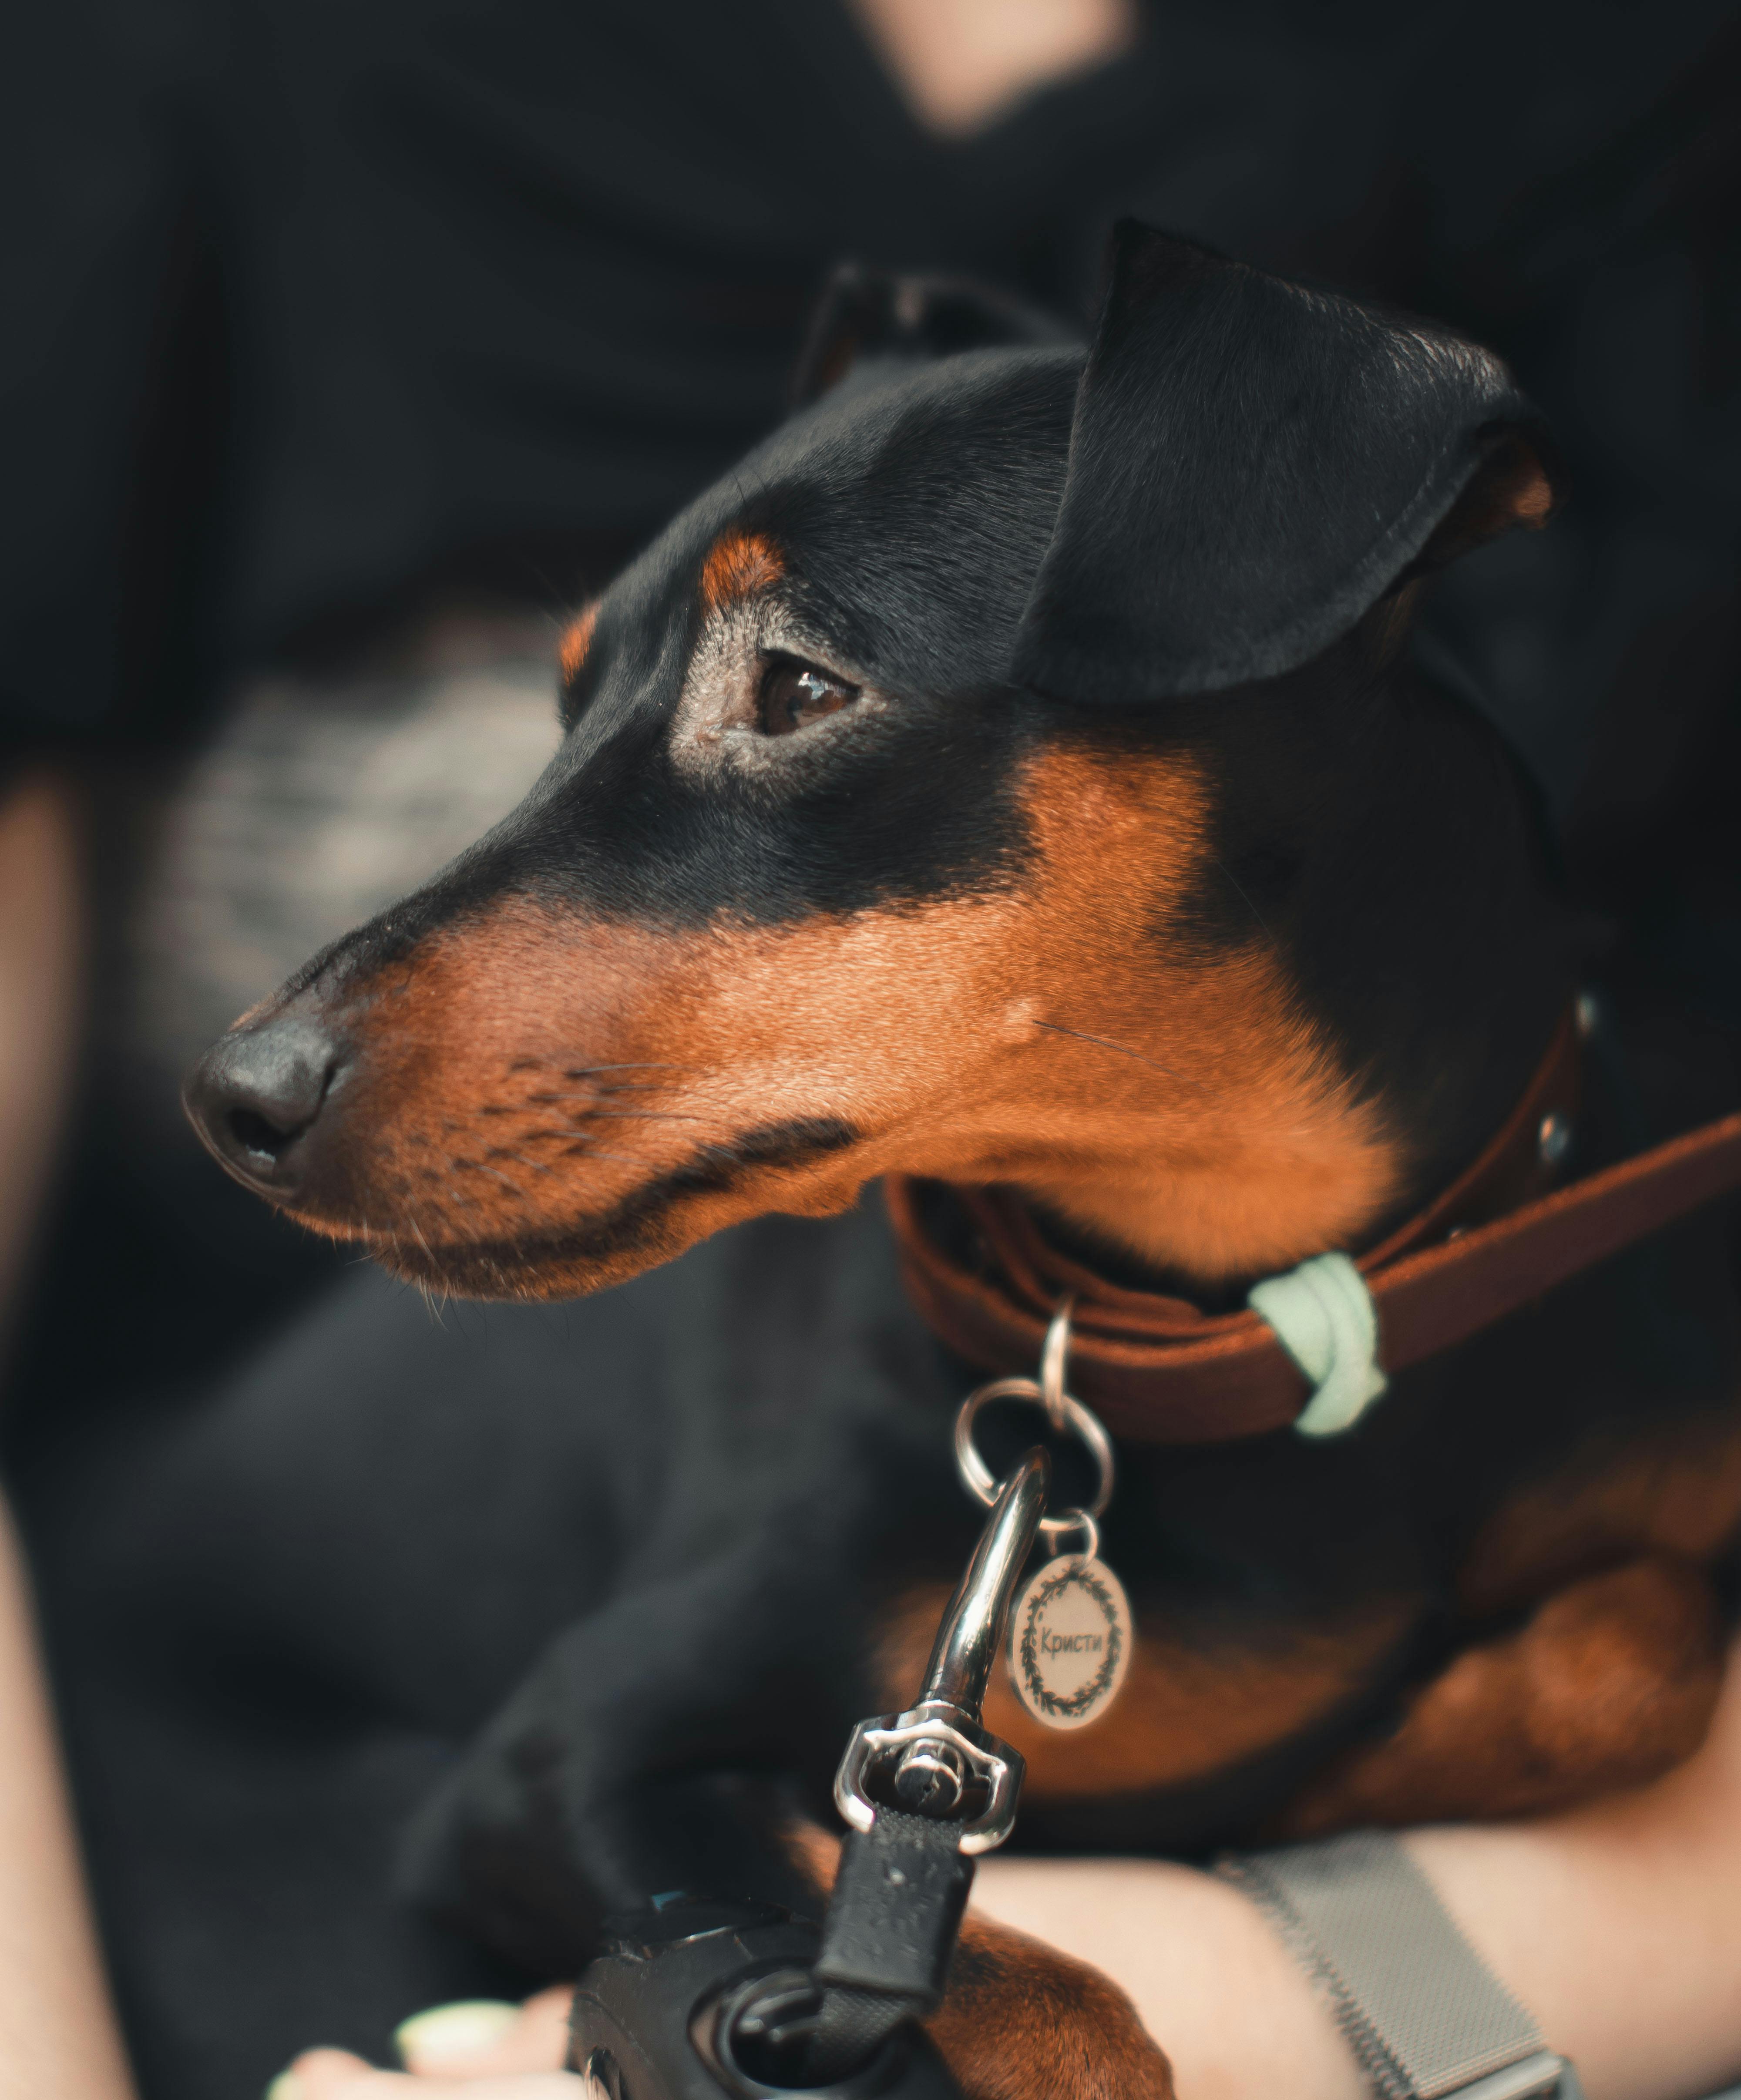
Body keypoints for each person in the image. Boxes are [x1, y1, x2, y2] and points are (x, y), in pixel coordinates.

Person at [1, 3, 1737, 2096]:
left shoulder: (1610, 111)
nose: (290, 1046)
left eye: (794, 696)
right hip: (224, 1820)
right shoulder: (191, 73)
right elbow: (592, 1791)